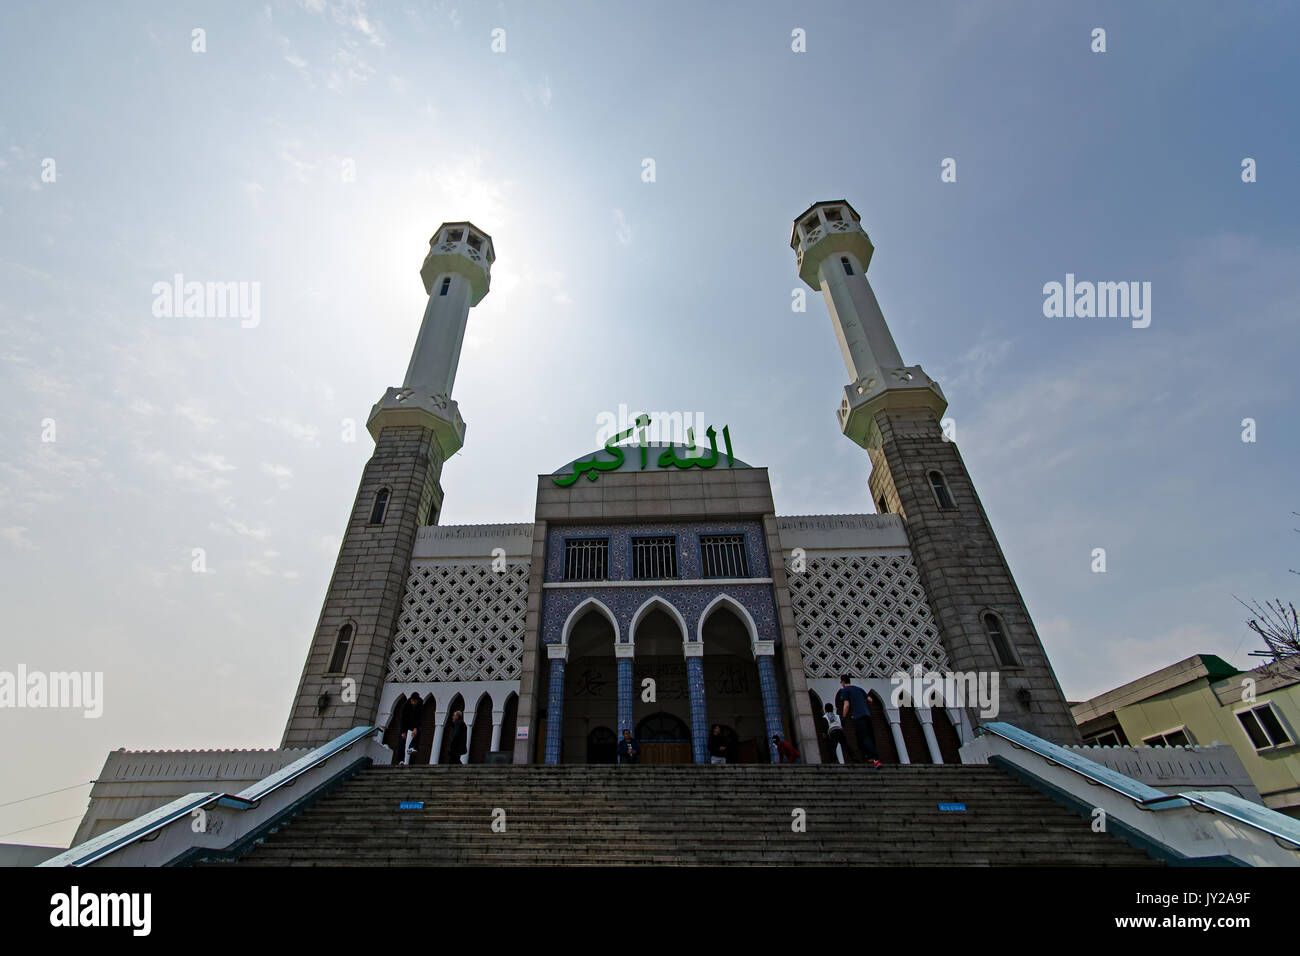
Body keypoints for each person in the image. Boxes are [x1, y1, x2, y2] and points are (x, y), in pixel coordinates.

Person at [835, 675, 882, 769]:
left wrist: (843, 717)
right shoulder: (859, 689)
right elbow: (870, 700)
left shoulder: (845, 690)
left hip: (858, 717)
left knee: (864, 737)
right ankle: (869, 758)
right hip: (867, 715)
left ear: (843, 682)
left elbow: (846, 705)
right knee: (866, 737)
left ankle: (875, 759)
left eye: (841, 682)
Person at [398, 692, 424, 767]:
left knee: (419, 730)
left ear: (417, 701)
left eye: (414, 701)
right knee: (402, 740)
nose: (413, 703)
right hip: (405, 723)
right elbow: (403, 719)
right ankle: (401, 760)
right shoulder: (406, 705)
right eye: (412, 701)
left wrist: (415, 728)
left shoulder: (420, 705)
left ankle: (412, 747)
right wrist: (403, 732)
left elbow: (419, 718)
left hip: (413, 722)